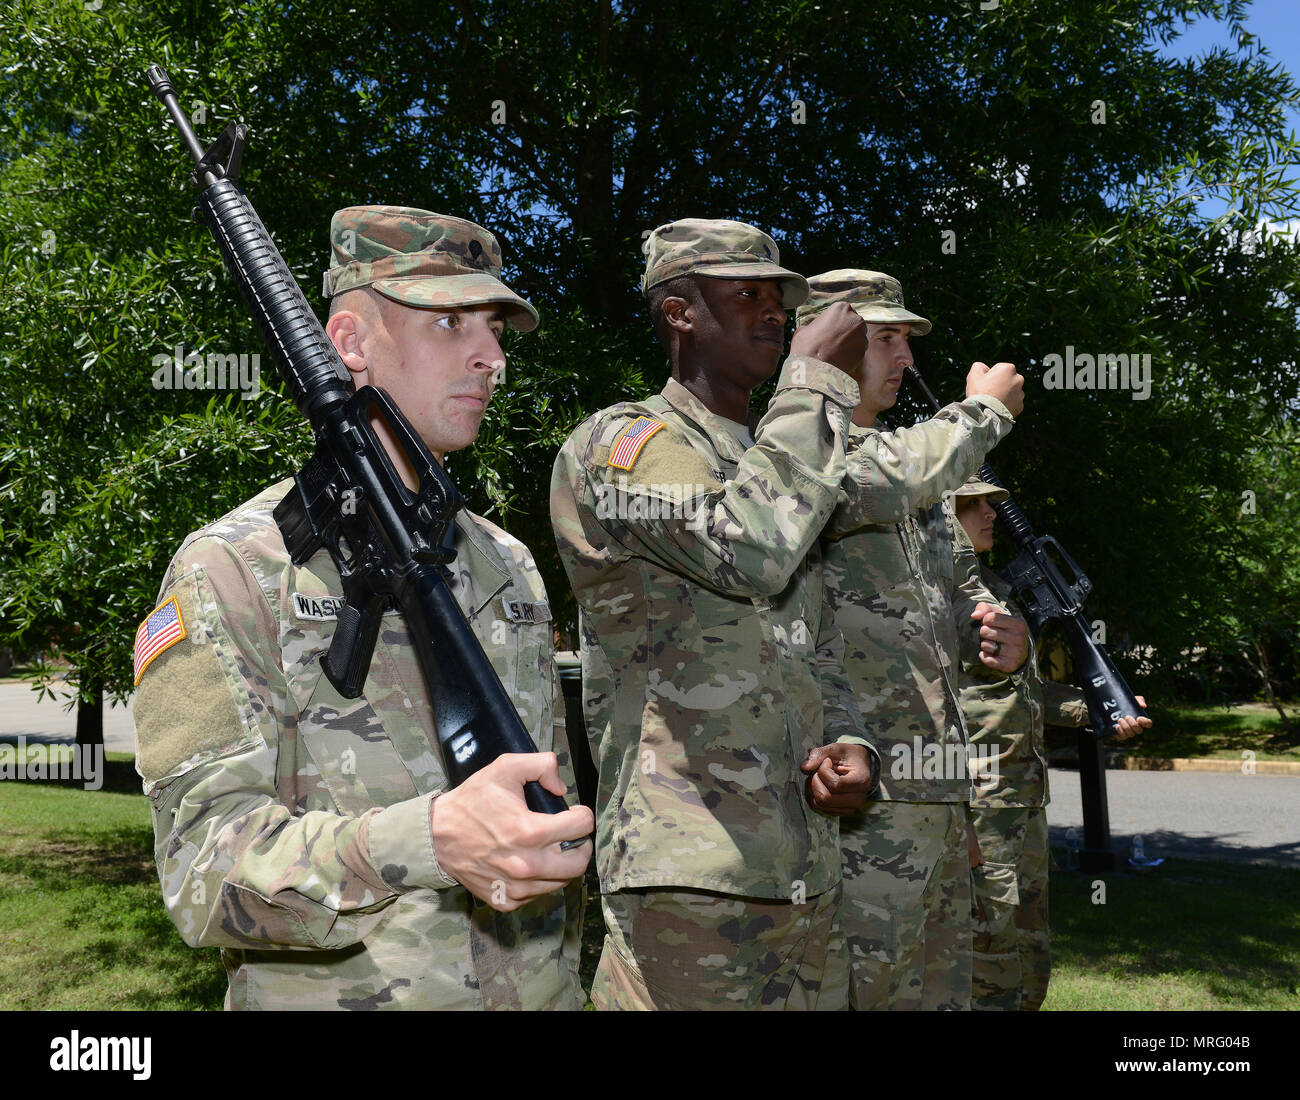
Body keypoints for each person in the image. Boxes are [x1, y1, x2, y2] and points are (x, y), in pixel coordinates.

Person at [131, 206, 593, 1011]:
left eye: (494, 329)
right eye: (450, 322)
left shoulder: (508, 564)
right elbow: (201, 875)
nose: (491, 358)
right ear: (348, 343)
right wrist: (427, 841)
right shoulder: (235, 569)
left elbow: (548, 815)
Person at [550, 219, 880, 1010]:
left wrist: (849, 740)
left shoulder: (773, 459)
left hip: (805, 865)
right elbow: (752, 545)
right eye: (748, 294)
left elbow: (815, 639)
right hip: (692, 870)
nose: (776, 313)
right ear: (679, 312)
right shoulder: (622, 442)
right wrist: (809, 384)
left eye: (780, 297)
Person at [797, 269, 1028, 1010]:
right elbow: (884, 478)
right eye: (885, 338)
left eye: (907, 340)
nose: (905, 358)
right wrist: (984, 411)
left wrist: (993, 639)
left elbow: (933, 619)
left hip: (932, 796)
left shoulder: (914, 479)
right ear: (831, 345)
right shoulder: (806, 458)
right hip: (860, 808)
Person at [952, 476, 1151, 1010]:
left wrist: (1098, 707)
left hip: (1023, 801)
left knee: (1030, 956)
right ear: (943, 510)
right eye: (975, 504)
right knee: (985, 955)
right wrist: (953, 810)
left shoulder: (991, 585)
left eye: (993, 502)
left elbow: (1023, 689)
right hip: (978, 802)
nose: (990, 513)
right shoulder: (934, 590)